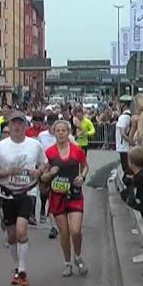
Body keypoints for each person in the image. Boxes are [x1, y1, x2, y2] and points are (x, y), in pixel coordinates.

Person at [0, 112, 47, 286]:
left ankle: (22, 269)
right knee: (12, 235)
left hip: (27, 191)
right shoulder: (0, 147)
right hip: (7, 193)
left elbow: (43, 163)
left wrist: (38, 172)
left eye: (20, 123)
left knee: (22, 230)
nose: (17, 127)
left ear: (24, 126)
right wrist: (8, 173)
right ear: (10, 126)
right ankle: (17, 266)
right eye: (14, 123)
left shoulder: (34, 145)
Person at [41, 117, 88, 277]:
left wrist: (82, 176)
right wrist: (49, 174)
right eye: (58, 131)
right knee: (64, 232)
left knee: (75, 230)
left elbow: (85, 167)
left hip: (74, 193)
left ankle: (78, 256)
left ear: (68, 132)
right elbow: (44, 176)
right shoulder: (49, 152)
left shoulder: (77, 150)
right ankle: (67, 262)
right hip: (57, 196)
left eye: (64, 131)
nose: (61, 133)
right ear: (54, 133)